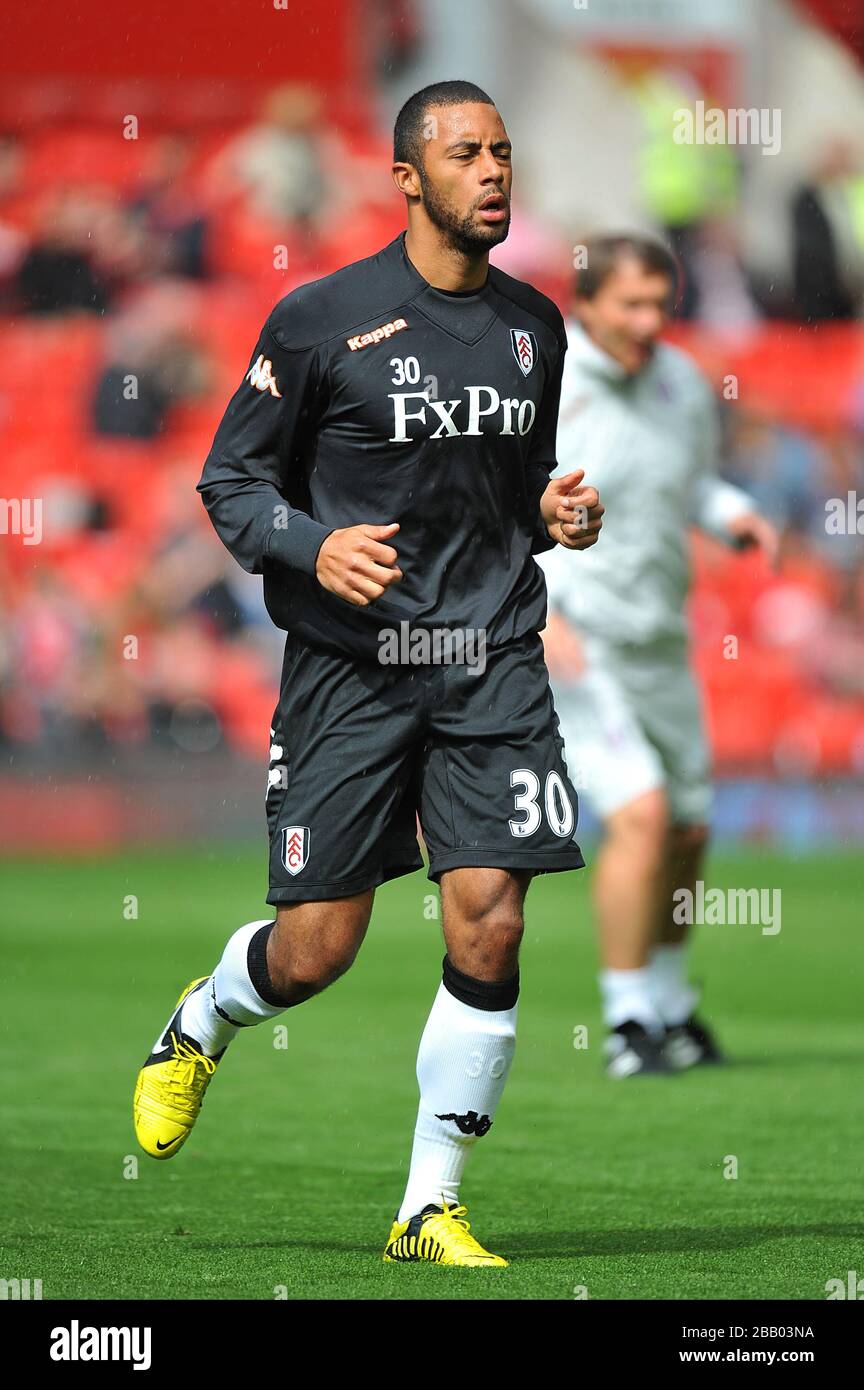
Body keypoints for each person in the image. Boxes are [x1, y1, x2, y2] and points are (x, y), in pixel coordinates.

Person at [133, 80, 604, 1267]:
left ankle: (427, 1207)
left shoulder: (535, 325)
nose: (493, 171)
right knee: (317, 949)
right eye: (465, 154)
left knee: (491, 920)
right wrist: (311, 543)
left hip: (489, 658)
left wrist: (550, 511)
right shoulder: (318, 320)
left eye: (502, 151)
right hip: (354, 671)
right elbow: (231, 486)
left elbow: (507, 495)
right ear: (407, 178)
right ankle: (201, 1020)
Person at [537, 234, 777, 1078]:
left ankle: (671, 1005)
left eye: (658, 304)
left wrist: (735, 514)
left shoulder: (679, 382)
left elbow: (695, 483)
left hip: (659, 638)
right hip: (579, 639)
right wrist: (538, 607)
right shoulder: (548, 383)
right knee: (638, 811)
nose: (648, 321)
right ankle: (625, 1018)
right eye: (629, 304)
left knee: (688, 820)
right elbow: (501, 500)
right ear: (587, 302)